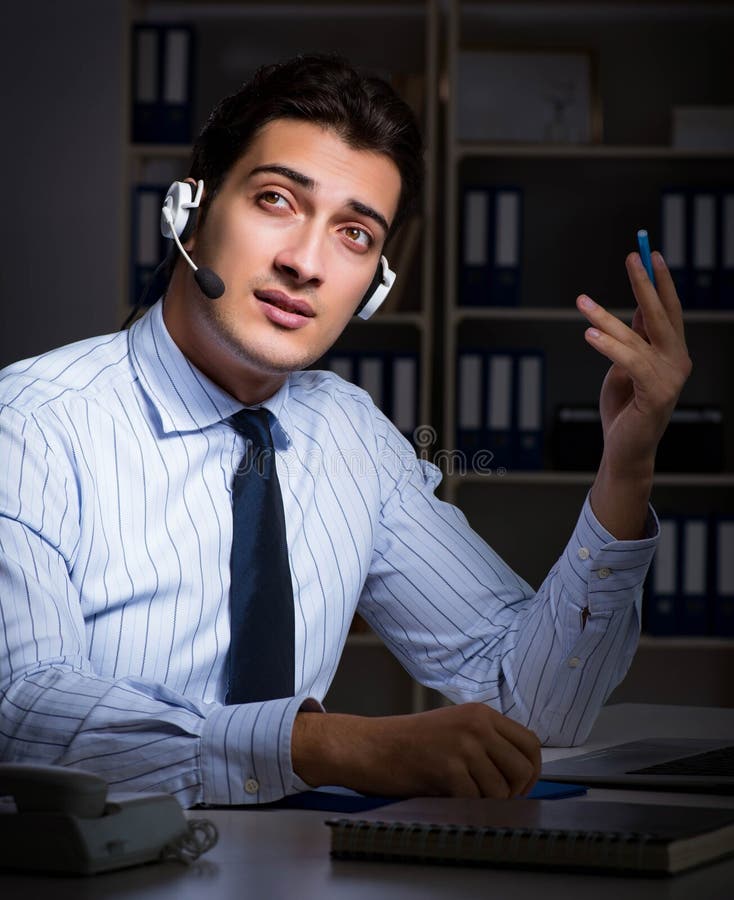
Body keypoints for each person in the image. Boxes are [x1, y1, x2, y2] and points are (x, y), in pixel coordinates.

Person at [0, 55, 691, 808]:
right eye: (275, 200)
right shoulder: (32, 424)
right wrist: (328, 745)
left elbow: (526, 702)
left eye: (355, 235)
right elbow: (19, 712)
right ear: (187, 211)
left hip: (294, 872)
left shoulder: (351, 434)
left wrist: (625, 469)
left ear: (377, 286)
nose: (306, 264)